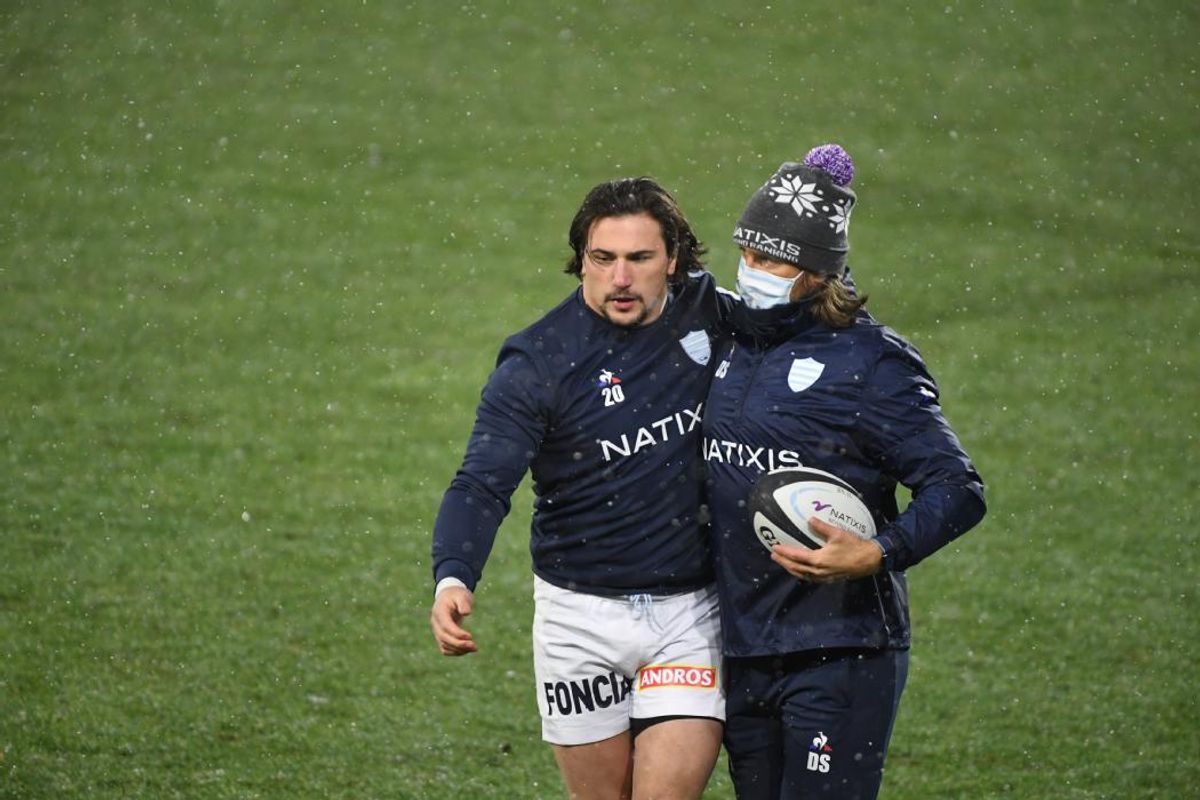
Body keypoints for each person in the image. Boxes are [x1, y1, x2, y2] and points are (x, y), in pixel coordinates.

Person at [430, 177, 739, 800]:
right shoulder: (538, 365)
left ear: (672, 261)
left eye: (639, 259)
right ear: (582, 261)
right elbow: (482, 483)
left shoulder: (709, 311)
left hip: (688, 613)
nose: (620, 278)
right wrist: (453, 575)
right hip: (579, 620)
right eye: (603, 259)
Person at [703, 144, 987, 799]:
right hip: (742, 644)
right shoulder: (728, 340)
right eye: (745, 253)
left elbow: (957, 488)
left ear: (816, 271)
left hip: (840, 647)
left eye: (771, 258)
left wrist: (879, 553)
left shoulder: (873, 365)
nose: (752, 271)